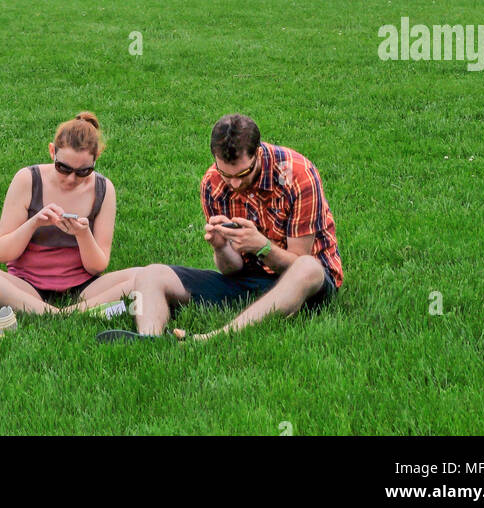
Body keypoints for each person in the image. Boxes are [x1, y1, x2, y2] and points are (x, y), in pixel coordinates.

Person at [97, 113, 342, 344]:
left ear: (257, 152)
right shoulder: (212, 182)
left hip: (307, 285)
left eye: (243, 173)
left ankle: (214, 338)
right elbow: (232, 270)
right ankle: (150, 338)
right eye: (226, 174)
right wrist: (221, 246)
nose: (234, 183)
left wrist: (262, 246)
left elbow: (299, 262)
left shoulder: (297, 175)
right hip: (249, 281)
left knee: (309, 267)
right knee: (151, 273)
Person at [0, 112, 126, 316]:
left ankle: (42, 312)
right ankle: (64, 314)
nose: (71, 179)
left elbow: (97, 267)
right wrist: (34, 223)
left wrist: (83, 235)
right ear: (52, 152)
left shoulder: (104, 189)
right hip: (27, 285)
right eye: (63, 168)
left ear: (96, 160)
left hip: (84, 286)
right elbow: (2, 253)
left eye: (83, 172)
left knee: (143, 277)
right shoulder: (28, 179)